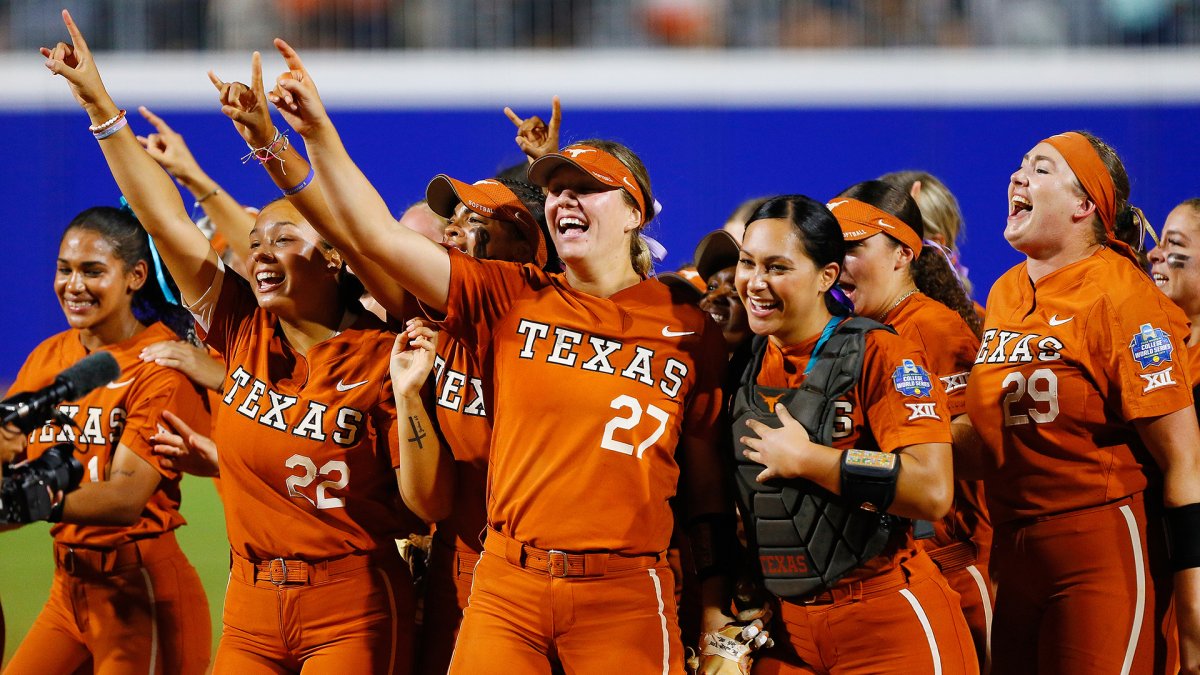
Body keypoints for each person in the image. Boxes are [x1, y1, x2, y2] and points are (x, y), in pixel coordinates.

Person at [258, 38, 737, 673]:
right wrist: (318, 133)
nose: (565, 199)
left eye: (585, 188)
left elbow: (706, 492)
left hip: (625, 590)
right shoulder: (510, 296)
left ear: (635, 213)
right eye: (555, 189)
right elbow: (373, 236)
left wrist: (712, 604)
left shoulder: (686, 325)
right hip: (510, 580)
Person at [43, 12, 416, 673]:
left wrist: (274, 145)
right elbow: (163, 221)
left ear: (332, 259)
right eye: (256, 244)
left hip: (353, 600)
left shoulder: (387, 354)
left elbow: (420, 499)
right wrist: (101, 107)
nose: (263, 254)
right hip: (251, 601)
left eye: (283, 241)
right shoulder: (242, 325)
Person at [963, 130, 1200, 674]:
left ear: (1083, 205)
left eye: (1041, 169)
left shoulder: (1122, 295)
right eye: (1021, 165)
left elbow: (1185, 464)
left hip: (1098, 551)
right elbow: (993, 435)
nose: (1018, 177)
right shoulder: (1004, 293)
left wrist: (1193, 622)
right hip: (1013, 548)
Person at [733, 194, 977, 674]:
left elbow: (932, 488)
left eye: (778, 267)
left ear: (826, 276)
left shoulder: (883, 353)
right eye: (748, 263)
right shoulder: (745, 362)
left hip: (887, 620)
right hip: (790, 633)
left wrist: (812, 461)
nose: (756, 282)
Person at [1, 205, 212, 674]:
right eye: (64, 269)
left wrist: (25, 501)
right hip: (67, 592)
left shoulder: (160, 362)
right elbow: (7, 449)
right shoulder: (49, 357)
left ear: (136, 275)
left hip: (139, 592)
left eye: (92, 271)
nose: (74, 285)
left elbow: (124, 497)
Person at [827, 181, 991, 669]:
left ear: (902, 254)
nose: (838, 264)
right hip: (903, 567)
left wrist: (860, 451)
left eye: (854, 248)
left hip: (955, 567)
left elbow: (979, 447)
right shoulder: (858, 331)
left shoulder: (931, 327)